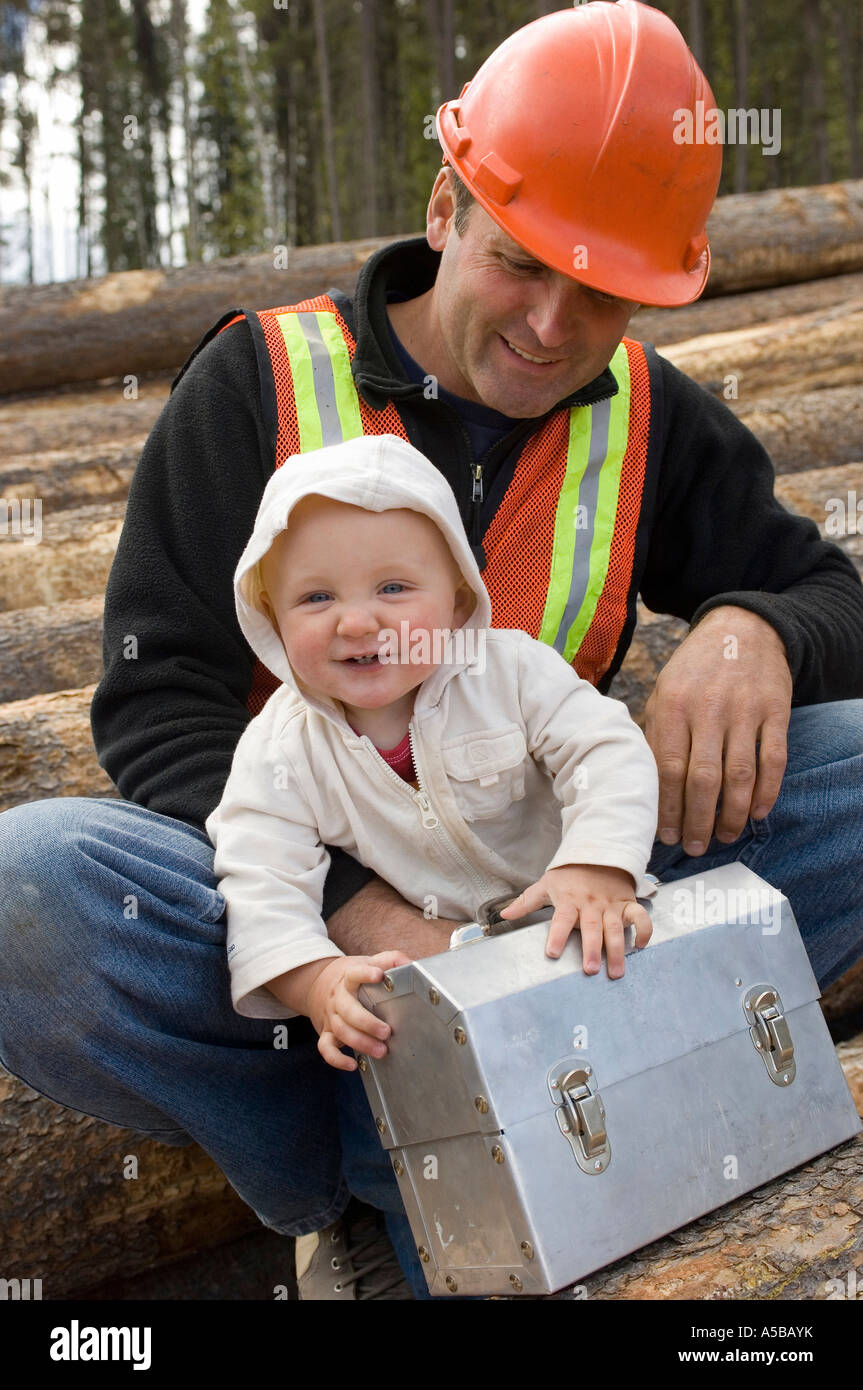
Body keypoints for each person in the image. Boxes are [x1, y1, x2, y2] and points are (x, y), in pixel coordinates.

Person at [0, 0, 861, 1301]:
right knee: (35, 889)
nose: (550, 325)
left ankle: (453, 1122)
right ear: (444, 205)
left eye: (604, 289)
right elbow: (155, 701)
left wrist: (759, 628)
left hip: (553, 904)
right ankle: (344, 1168)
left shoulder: (645, 417)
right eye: (520, 262)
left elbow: (821, 593)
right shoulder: (260, 383)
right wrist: (353, 900)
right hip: (293, 904)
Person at [207, 432, 658, 1052]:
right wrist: (314, 980)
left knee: (646, 1049)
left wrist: (598, 862)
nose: (358, 622)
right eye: (316, 597)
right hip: (440, 997)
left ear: (458, 596)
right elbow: (260, 875)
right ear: (269, 614)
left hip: (592, 927)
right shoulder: (280, 749)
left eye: (393, 588)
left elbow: (604, 749)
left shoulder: (508, 671)